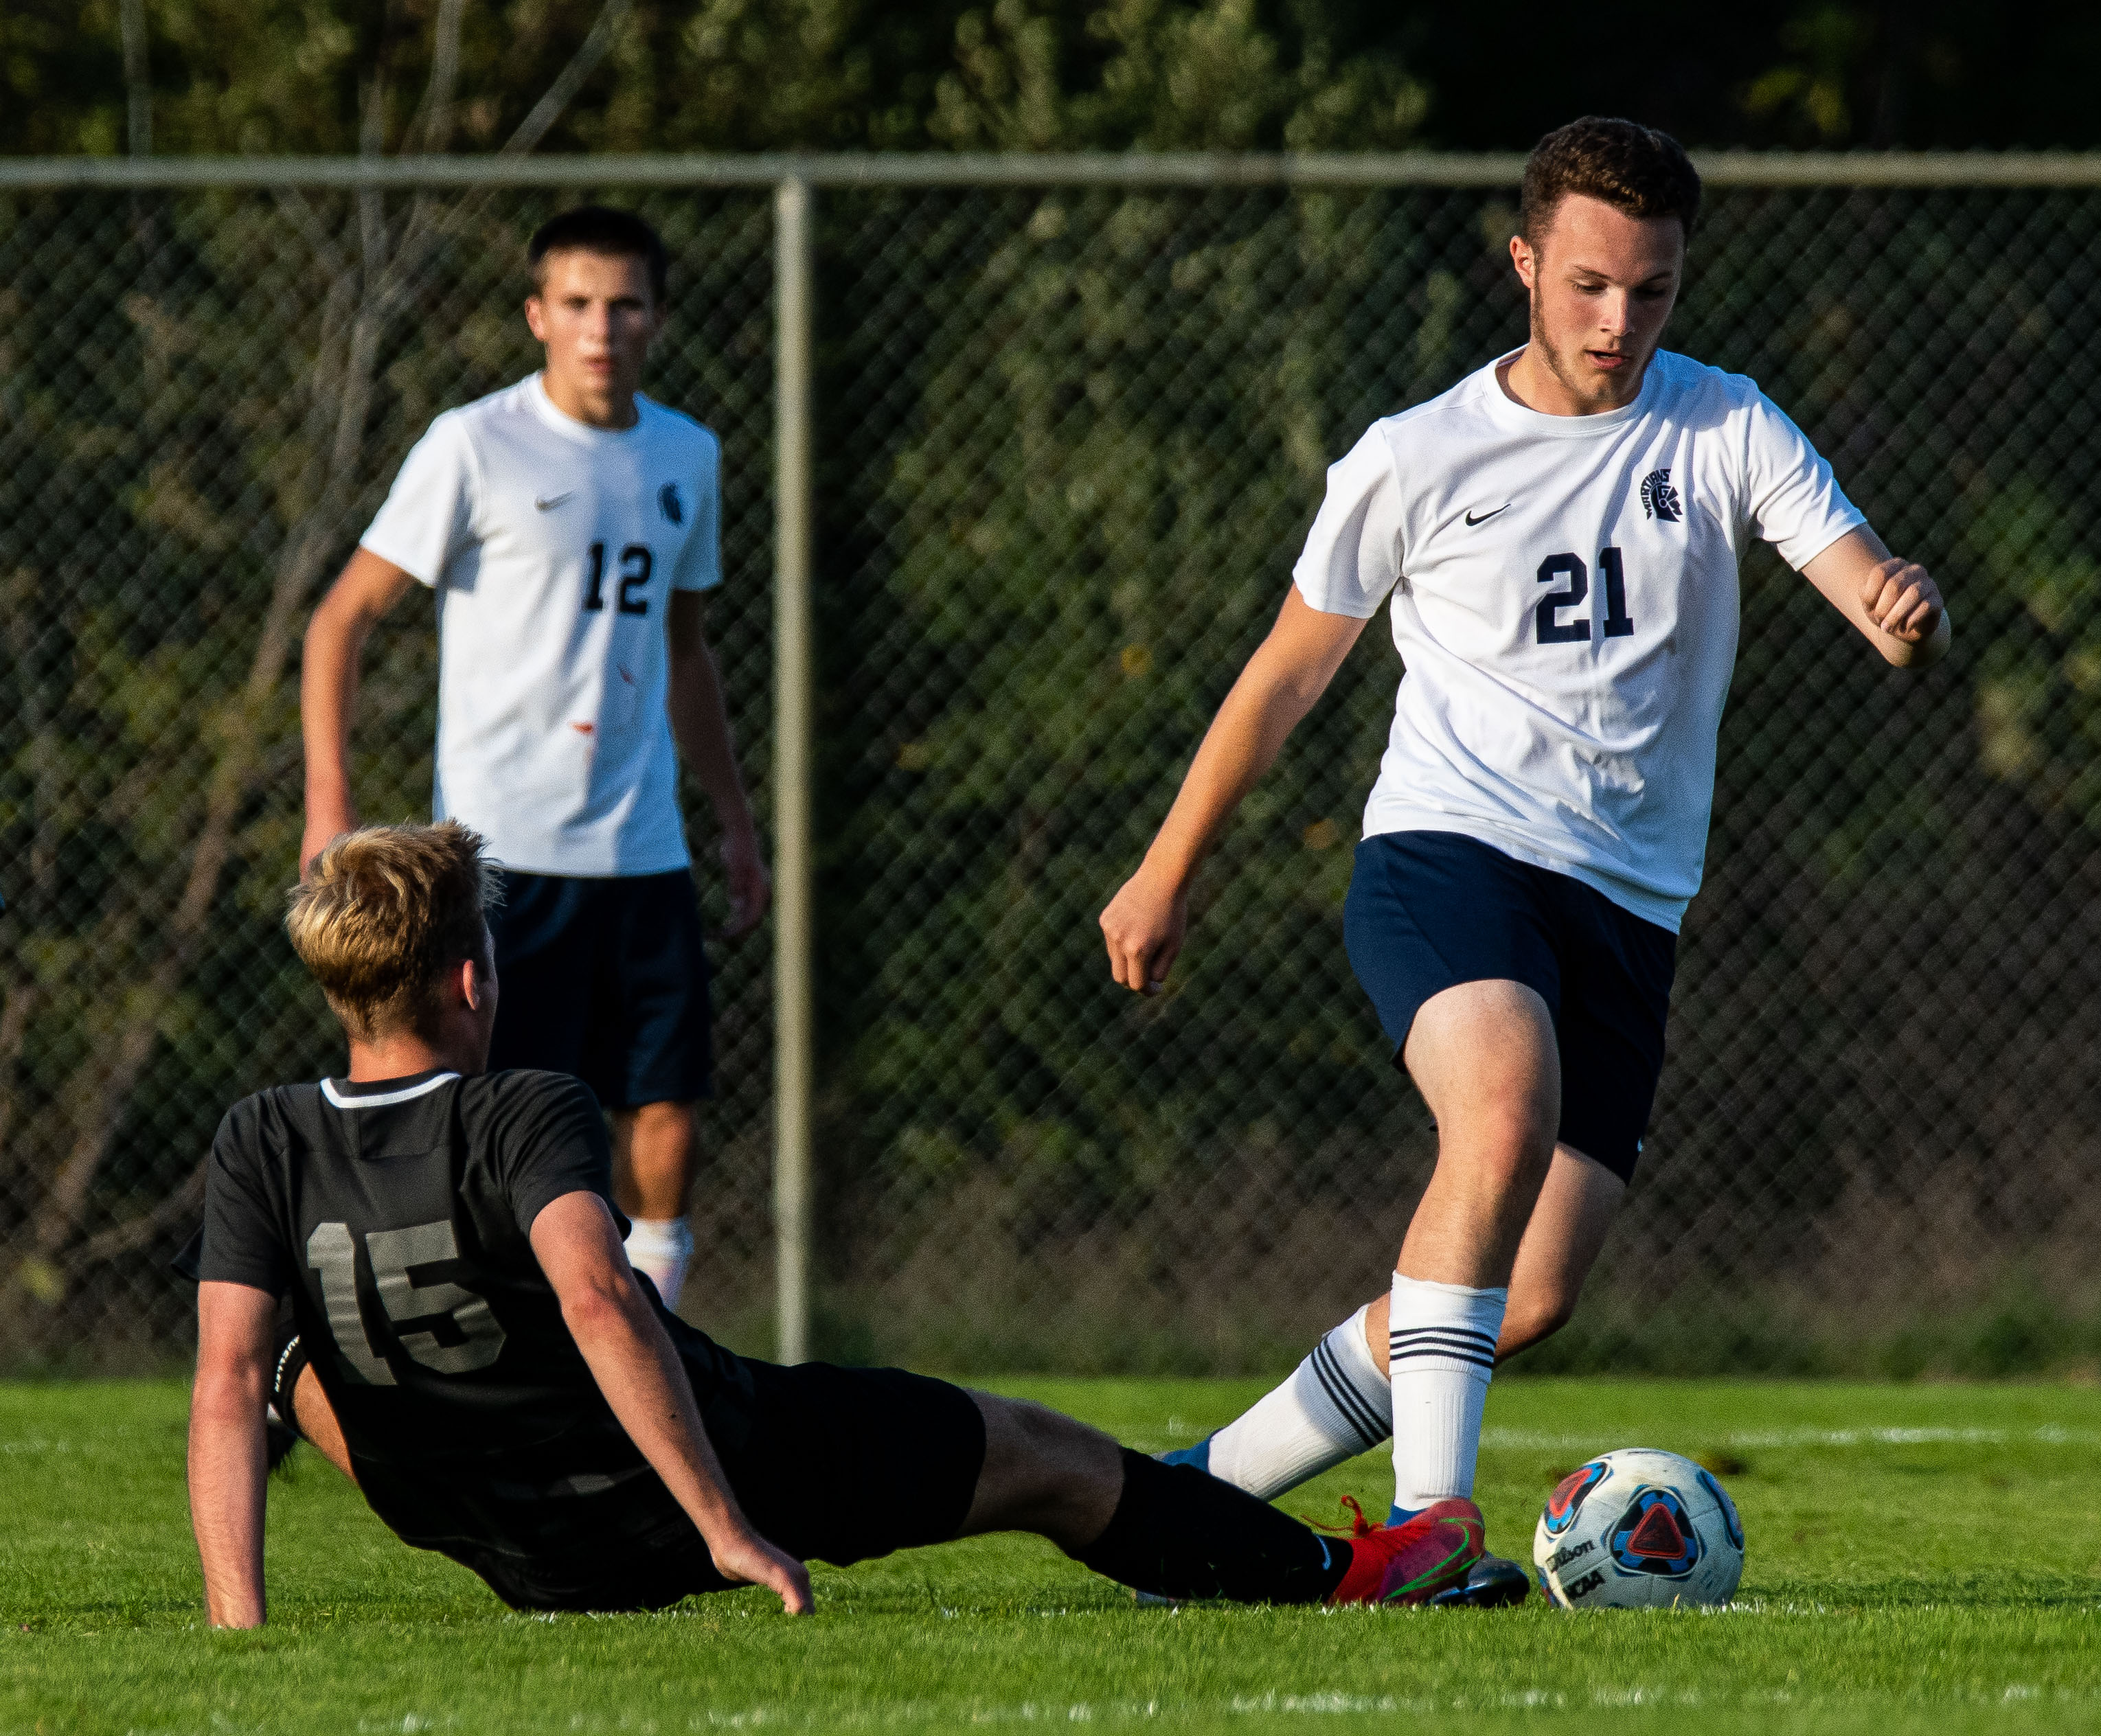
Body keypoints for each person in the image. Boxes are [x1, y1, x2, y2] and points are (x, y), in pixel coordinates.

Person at [1098, 117, 1949, 1596]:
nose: (1621, 323)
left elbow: (1852, 561)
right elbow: (1287, 675)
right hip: (1451, 856)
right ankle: (1435, 1522)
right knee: (1499, 1104)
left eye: (1654, 292)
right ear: (1524, 264)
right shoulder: (1415, 456)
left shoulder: (1724, 422)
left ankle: (1194, 1501)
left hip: (1629, 909)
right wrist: (1168, 866)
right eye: (1590, 288)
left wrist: (1893, 600)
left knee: (1528, 1290)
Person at [184, 821, 1491, 1625]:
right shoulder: (524, 1107)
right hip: (681, 1489)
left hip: (498, 1543)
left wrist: (239, 1631)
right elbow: (594, 1299)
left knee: (290, 1355)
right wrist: (724, 1529)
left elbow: (229, 1384)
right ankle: (1340, 1571)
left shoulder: (260, 1134)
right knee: (1041, 1456)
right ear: (474, 977)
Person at [299, 207, 760, 1311]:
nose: (604, 327)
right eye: (580, 304)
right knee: (497, 1116)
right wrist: (331, 802)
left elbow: (685, 650)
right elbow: (341, 621)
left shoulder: (685, 454)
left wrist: (734, 819)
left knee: (667, 1111)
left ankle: (648, 1337)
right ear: (538, 316)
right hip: (505, 853)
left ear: (657, 317)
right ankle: (470, 1329)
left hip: (643, 847)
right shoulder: (475, 443)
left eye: (627, 304)